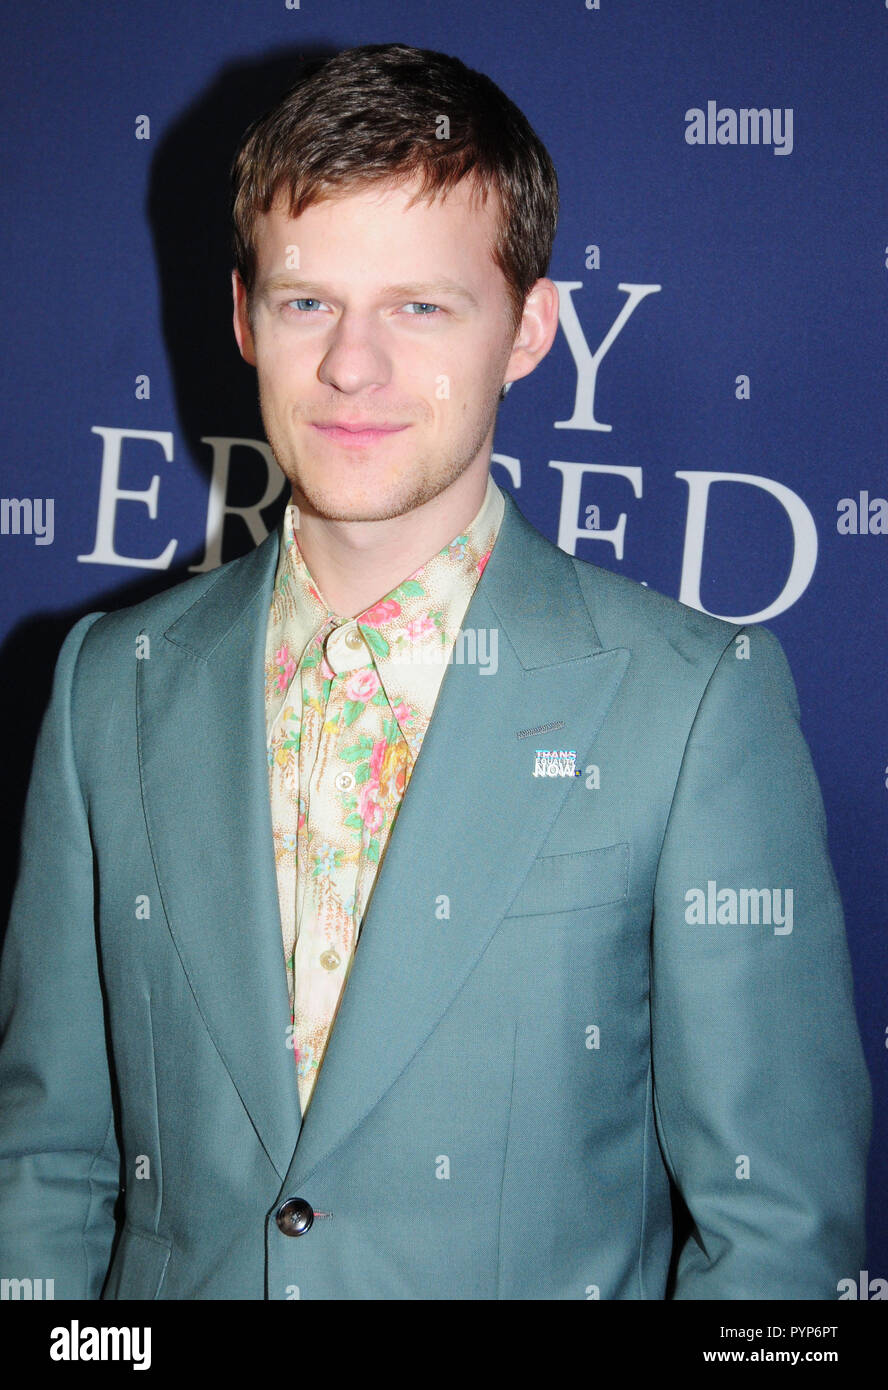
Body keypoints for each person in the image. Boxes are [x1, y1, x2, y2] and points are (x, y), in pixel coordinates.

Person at [0, 42, 870, 1300]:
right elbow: (44, 1169)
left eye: (421, 304)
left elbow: (777, 1240)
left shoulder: (693, 706)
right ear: (244, 316)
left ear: (530, 329)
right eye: (310, 303)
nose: (354, 365)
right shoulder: (104, 684)